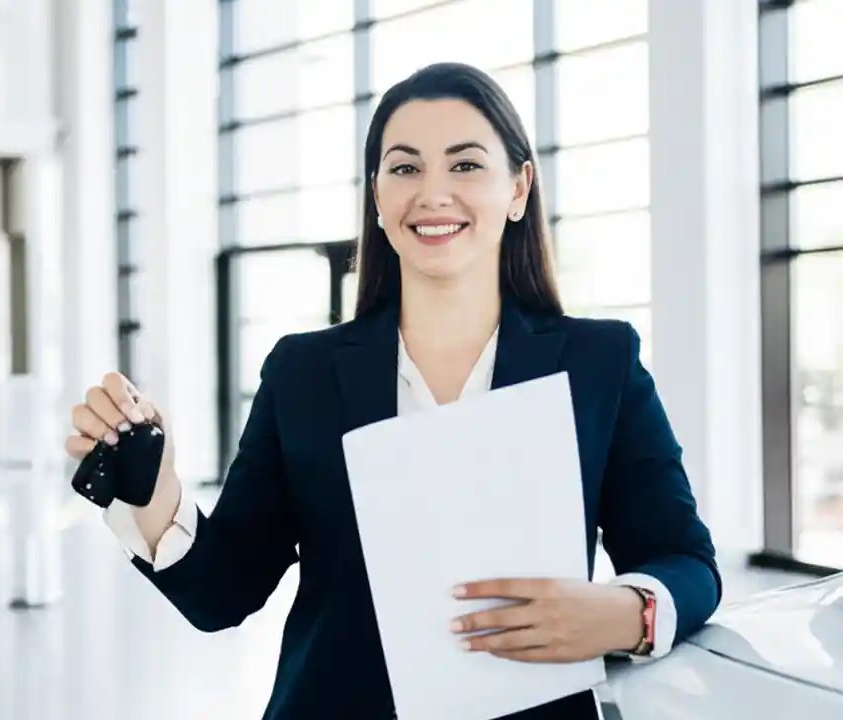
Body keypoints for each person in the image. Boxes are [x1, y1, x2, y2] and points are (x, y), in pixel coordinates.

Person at [64, 62, 721, 720]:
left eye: (465, 165)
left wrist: (623, 615)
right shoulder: (303, 374)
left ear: (519, 188)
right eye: (405, 168)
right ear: (377, 197)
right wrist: (152, 493)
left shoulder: (600, 362)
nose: (433, 193)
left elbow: (685, 561)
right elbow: (221, 594)